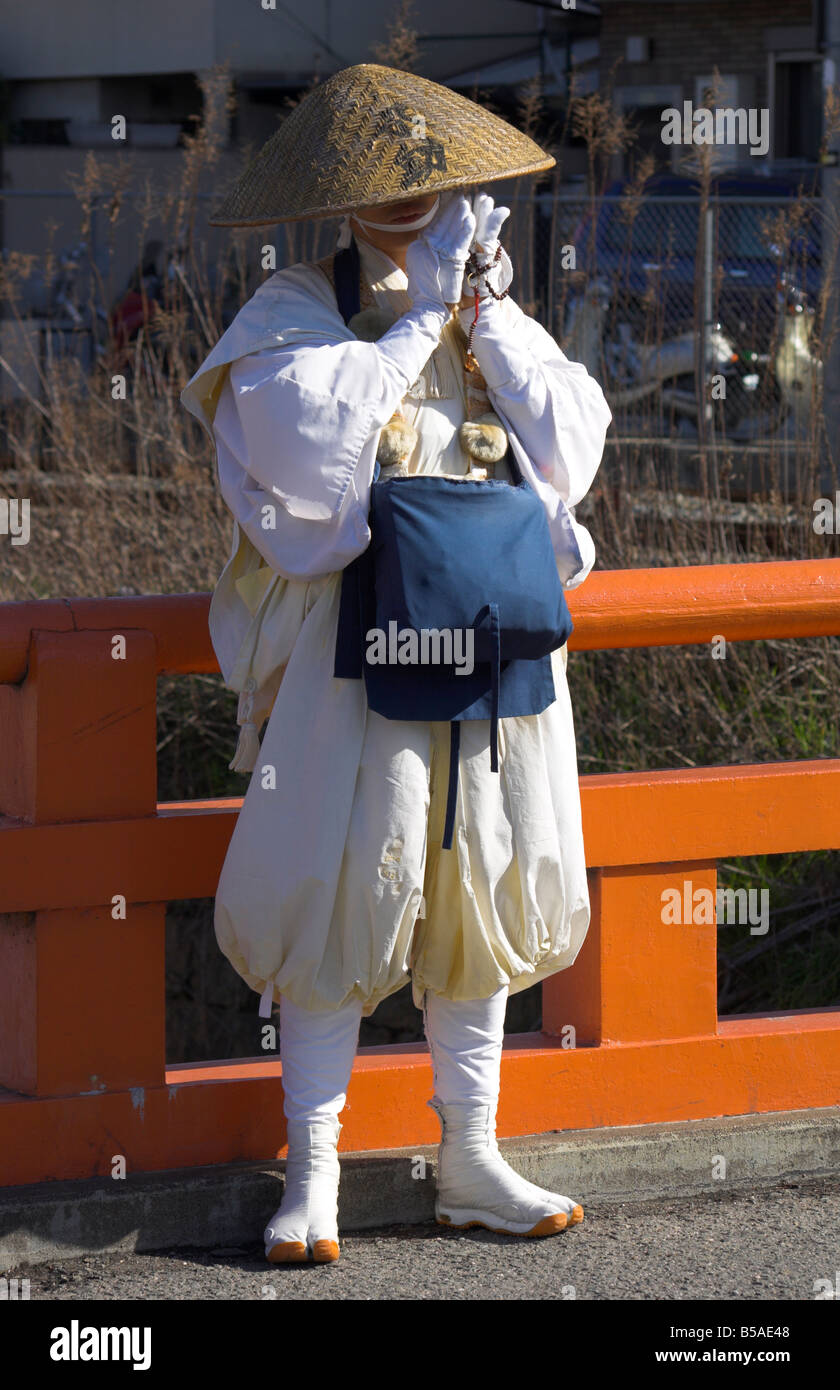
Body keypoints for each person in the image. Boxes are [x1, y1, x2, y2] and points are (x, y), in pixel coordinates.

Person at [181, 63, 611, 1265]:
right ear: (336, 201)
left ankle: (469, 1155)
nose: (411, 203)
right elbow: (307, 473)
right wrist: (416, 321)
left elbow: (574, 452)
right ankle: (310, 1170)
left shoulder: (491, 318)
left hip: (489, 648)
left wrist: (475, 318)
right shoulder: (289, 312)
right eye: (382, 188)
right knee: (338, 884)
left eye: (429, 183)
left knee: (480, 881)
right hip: (343, 665)